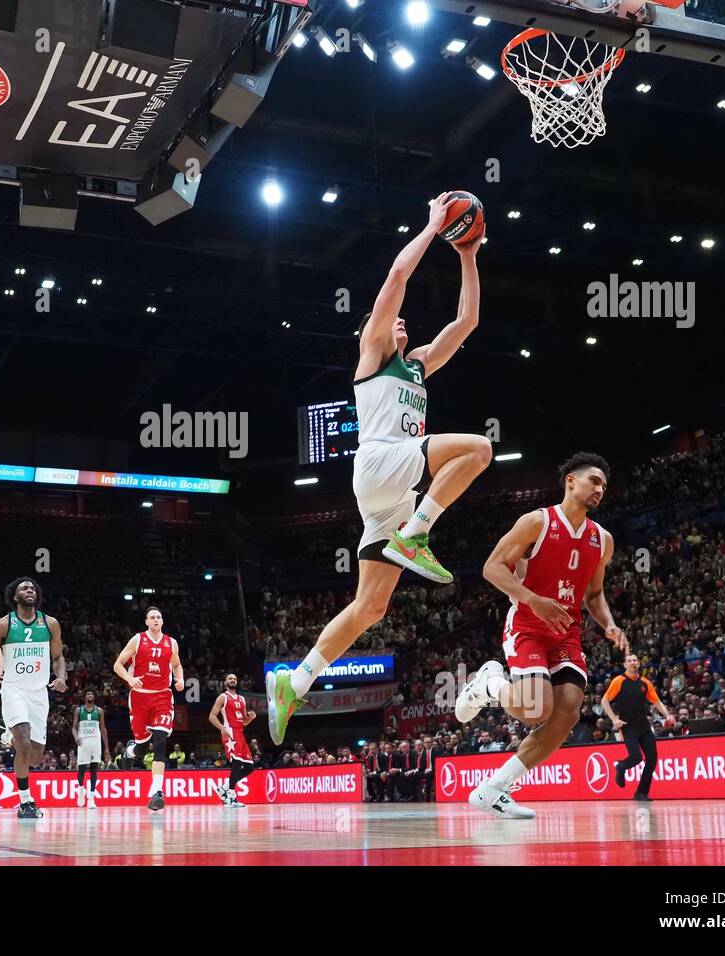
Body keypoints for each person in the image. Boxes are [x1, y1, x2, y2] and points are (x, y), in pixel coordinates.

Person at [267, 194, 489, 745]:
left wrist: (468, 252)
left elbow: (467, 322)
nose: (402, 322)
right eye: (392, 320)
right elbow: (396, 274)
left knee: (372, 605)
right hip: (383, 460)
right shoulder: (372, 353)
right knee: (479, 450)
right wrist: (432, 225)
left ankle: (295, 682)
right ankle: (417, 536)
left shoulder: (418, 367)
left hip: (390, 486)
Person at [454, 452, 627, 818]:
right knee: (535, 708)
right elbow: (491, 567)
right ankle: (488, 685)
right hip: (528, 625)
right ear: (571, 481)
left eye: (604, 486)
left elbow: (594, 595)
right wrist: (534, 600)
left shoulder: (603, 540)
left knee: (566, 714)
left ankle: (493, 788)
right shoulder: (536, 522)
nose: (600, 489)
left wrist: (609, 624)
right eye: (594, 480)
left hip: (567, 634)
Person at [0, 577, 67, 819]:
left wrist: (61, 677)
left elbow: (59, 658)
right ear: (15, 596)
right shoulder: (3, 624)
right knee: (24, 739)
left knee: (35, 757)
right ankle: (25, 801)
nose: (29, 590)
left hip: (39, 693)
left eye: (32, 588)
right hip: (13, 689)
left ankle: (7, 734)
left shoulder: (50, 623)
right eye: (24, 588)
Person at [112, 606, 186, 811]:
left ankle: (156, 792)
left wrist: (180, 679)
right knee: (142, 748)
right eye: (152, 617)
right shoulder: (137, 640)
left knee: (161, 741)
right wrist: (129, 678)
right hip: (140, 698)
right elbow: (118, 665)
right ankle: (130, 750)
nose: (156, 620)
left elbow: (177, 665)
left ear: (162, 621)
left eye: (159, 617)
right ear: (146, 622)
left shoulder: (171, 643)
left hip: (163, 696)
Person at [600, 654, 672, 801]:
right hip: (628, 725)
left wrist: (667, 715)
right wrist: (614, 719)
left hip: (643, 725)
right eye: (629, 661)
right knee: (636, 757)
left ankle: (641, 792)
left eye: (635, 660)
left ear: (638, 663)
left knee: (652, 758)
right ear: (625, 665)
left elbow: (657, 702)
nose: (633, 662)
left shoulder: (645, 683)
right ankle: (621, 767)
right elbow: (604, 701)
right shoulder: (619, 681)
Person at [208, 672, 255, 808]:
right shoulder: (223, 697)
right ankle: (231, 797)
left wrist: (250, 717)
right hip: (230, 732)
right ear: (225, 682)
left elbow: (244, 721)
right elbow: (212, 716)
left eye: (235, 678)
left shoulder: (242, 699)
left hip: (240, 733)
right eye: (230, 678)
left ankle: (223, 788)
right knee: (236, 763)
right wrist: (222, 728)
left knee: (249, 767)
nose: (233, 680)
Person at [72, 690, 109, 809]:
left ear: (94, 697)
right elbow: (74, 727)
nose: (90, 695)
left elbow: (103, 729)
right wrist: (76, 737)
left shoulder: (99, 711)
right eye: (87, 694)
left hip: (95, 742)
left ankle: (91, 798)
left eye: (92, 694)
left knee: (94, 770)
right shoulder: (79, 710)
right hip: (83, 742)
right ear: (84, 697)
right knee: (81, 770)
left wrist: (107, 748)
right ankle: (81, 790)